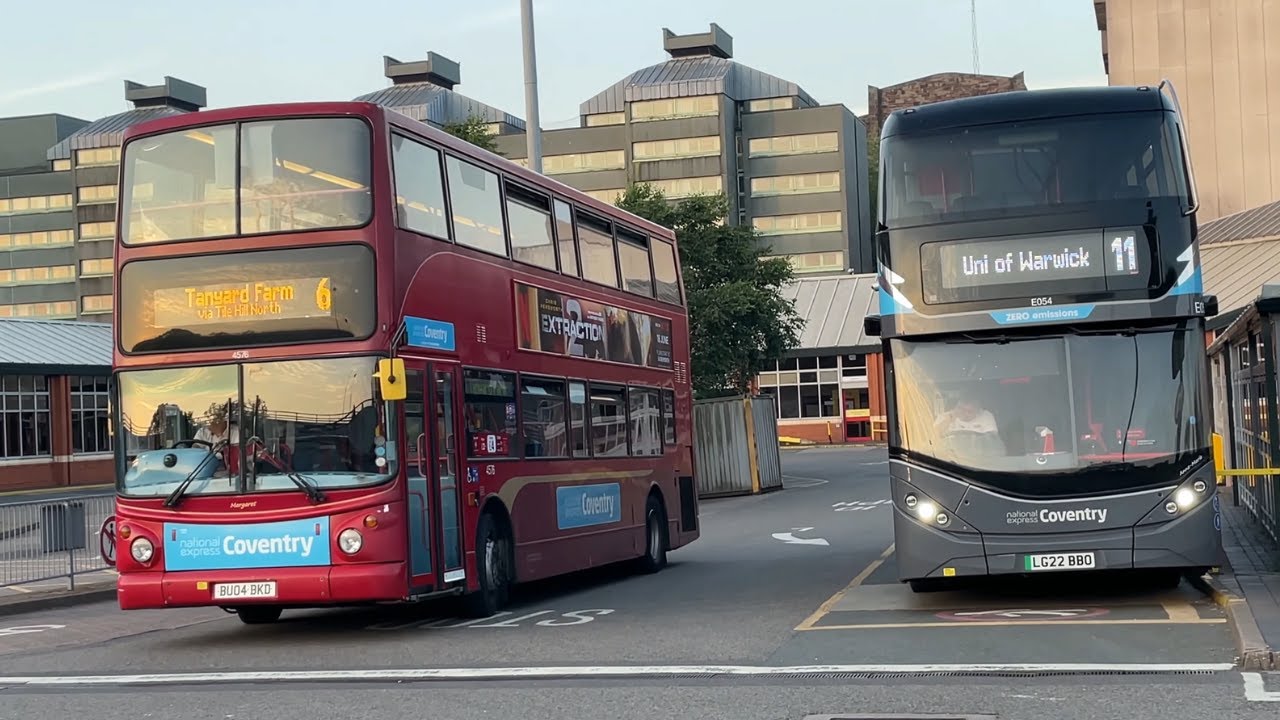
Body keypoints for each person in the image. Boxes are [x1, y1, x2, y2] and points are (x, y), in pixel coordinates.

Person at [934, 391, 999, 437]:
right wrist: (948, 420)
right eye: (961, 409)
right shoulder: (944, 416)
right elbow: (933, 437)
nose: (964, 413)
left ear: (978, 411)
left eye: (969, 411)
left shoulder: (986, 417)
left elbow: (992, 439)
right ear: (956, 407)